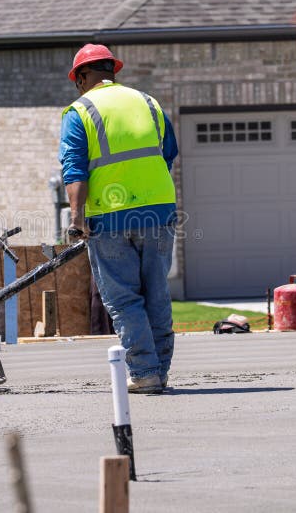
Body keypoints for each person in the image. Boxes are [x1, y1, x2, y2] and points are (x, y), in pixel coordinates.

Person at [59, 44, 179, 394]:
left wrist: (77, 219)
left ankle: (144, 373)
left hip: (110, 219)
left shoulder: (79, 112)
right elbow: (166, 156)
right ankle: (159, 371)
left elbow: (74, 169)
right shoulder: (149, 104)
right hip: (159, 211)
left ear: (81, 77)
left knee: (124, 298)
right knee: (156, 293)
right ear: (113, 71)